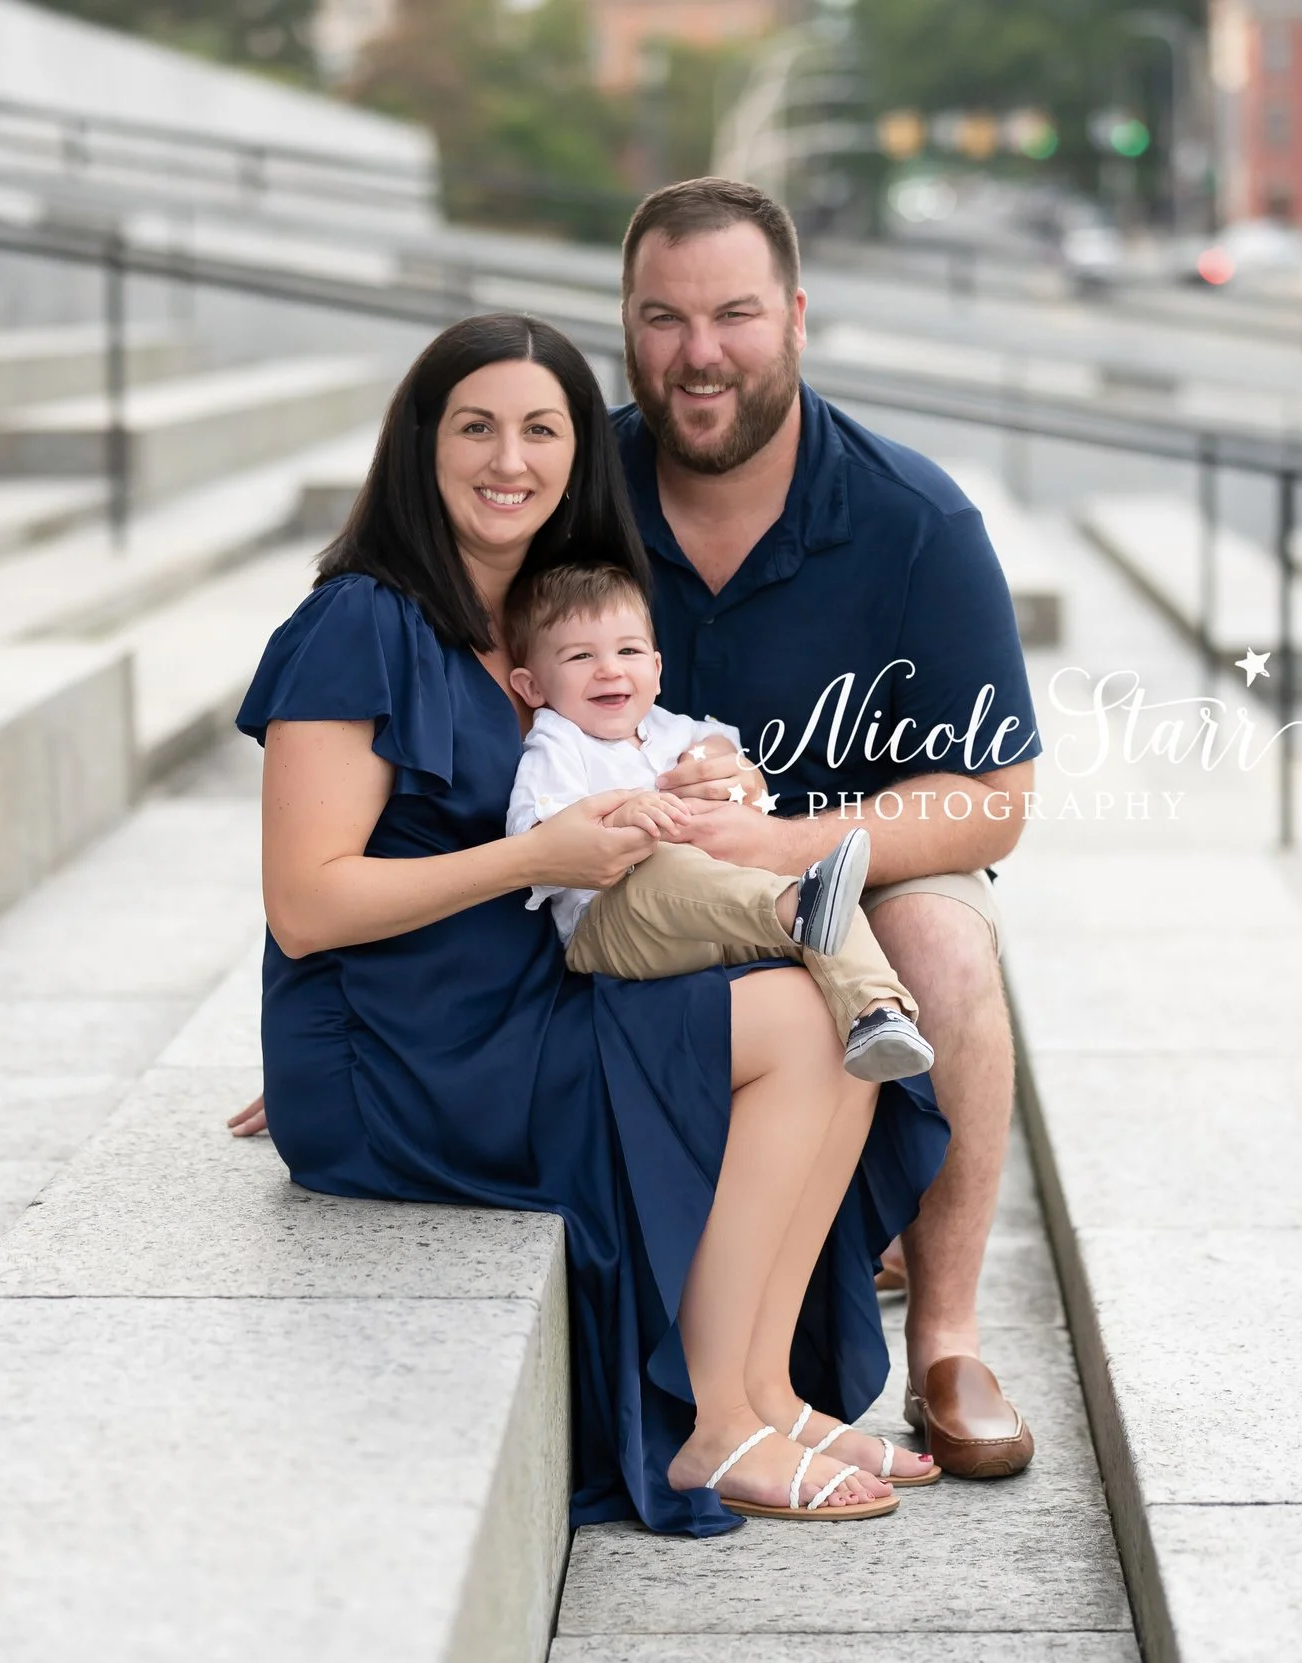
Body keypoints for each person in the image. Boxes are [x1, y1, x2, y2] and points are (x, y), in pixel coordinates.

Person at [231, 310, 948, 1535]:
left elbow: (602, 801)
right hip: (406, 1050)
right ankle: (714, 1425)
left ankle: (766, 1389)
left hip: (504, 1001)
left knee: (828, 1016)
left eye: (541, 429)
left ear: (578, 454)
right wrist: (540, 855)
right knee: (789, 1011)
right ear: (419, 442)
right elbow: (305, 907)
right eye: (475, 426)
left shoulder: (545, 626)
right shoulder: (361, 621)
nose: (508, 458)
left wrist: (700, 787)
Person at [614, 178, 1043, 1479]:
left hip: (838, 885)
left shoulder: (916, 521)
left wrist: (796, 847)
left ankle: (951, 1341)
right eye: (663, 317)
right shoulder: (576, 497)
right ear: (627, 329)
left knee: (949, 939)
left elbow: (996, 799)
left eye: (735, 312)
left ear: (797, 317)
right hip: (621, 894)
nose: (700, 352)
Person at [500, 560, 937, 1083]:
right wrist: (619, 816)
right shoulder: (558, 742)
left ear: (657, 670)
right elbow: (533, 842)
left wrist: (718, 755)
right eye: (580, 656)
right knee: (667, 871)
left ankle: (877, 1013)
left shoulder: (665, 728)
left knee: (827, 904)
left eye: (629, 651)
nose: (611, 669)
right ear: (531, 687)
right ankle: (796, 905)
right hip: (612, 926)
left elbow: (725, 743)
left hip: (712, 918)